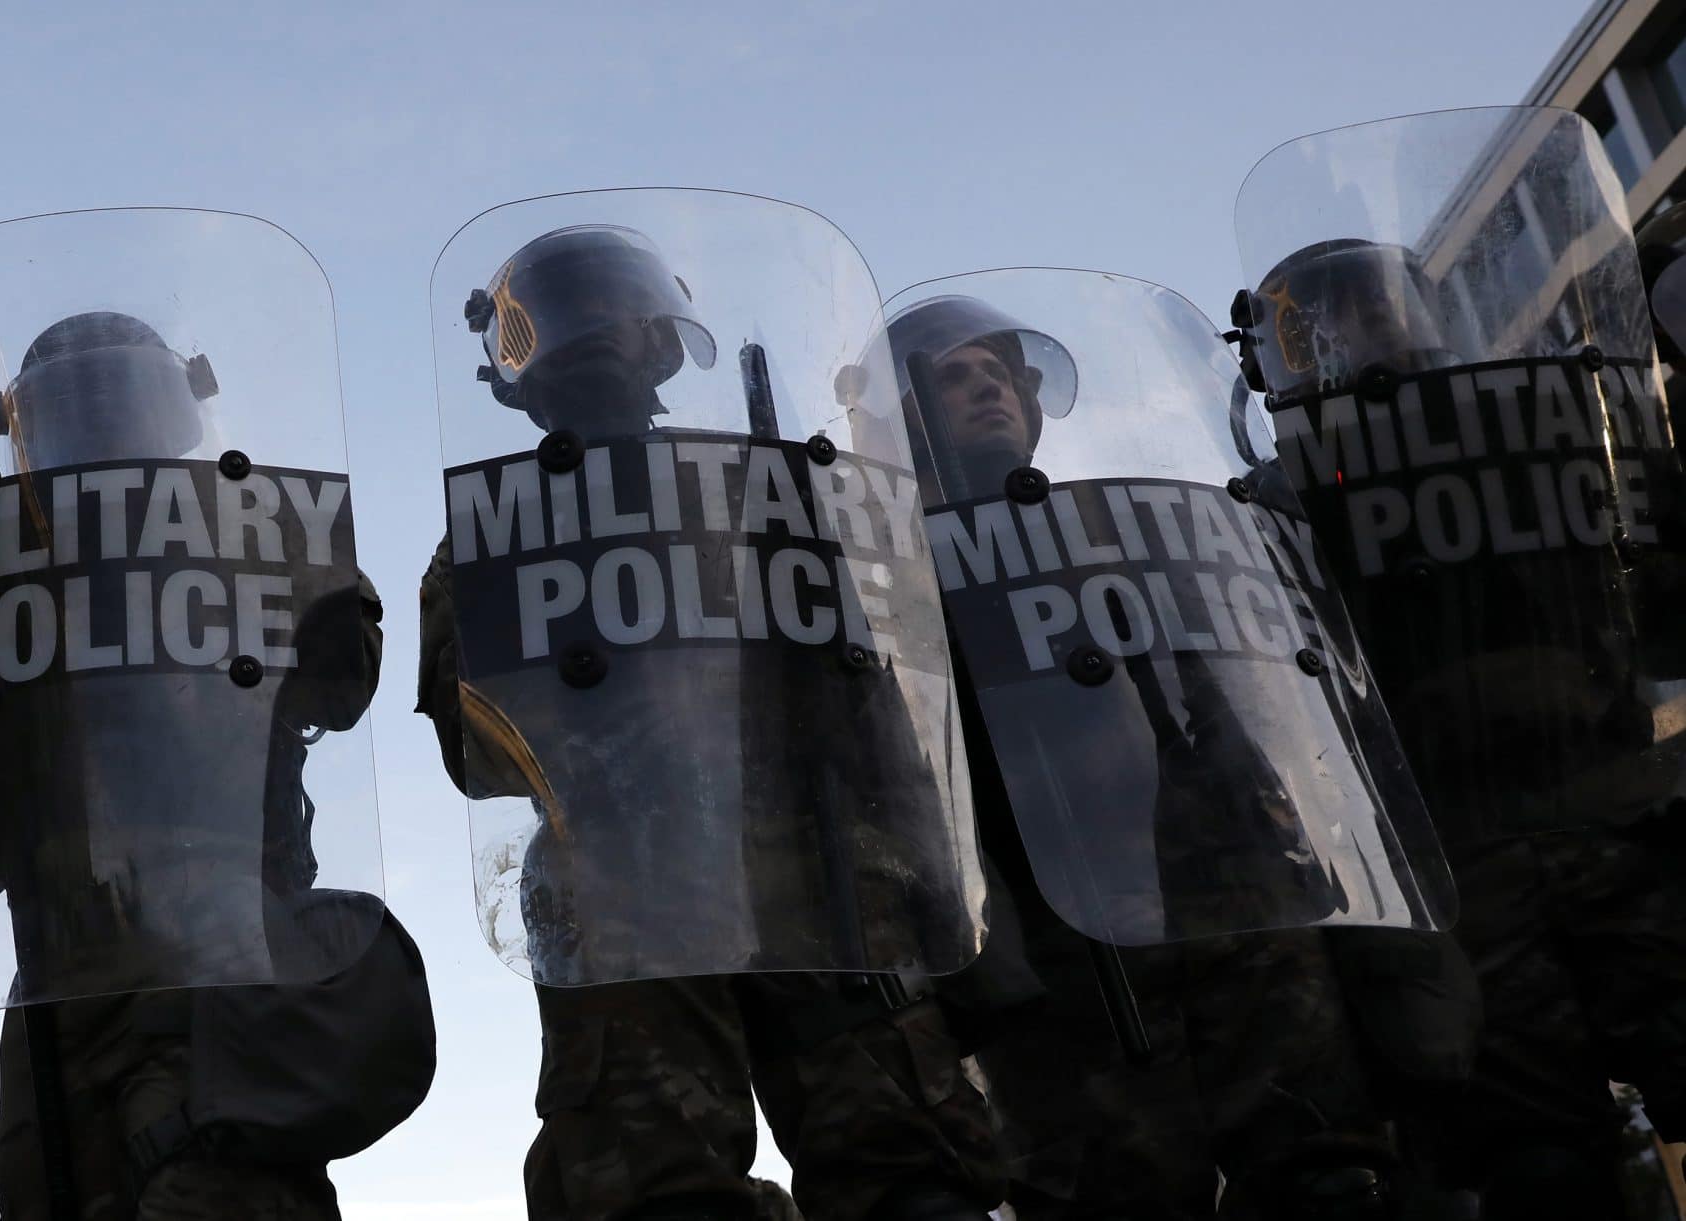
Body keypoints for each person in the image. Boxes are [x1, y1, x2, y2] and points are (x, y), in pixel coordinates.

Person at [420, 224, 1001, 1221]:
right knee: (655, 1192)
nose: (593, 329)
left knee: (914, 1180)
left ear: (659, 335)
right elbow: (474, 753)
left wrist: (933, 890)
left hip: (827, 877)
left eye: (611, 304)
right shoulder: (492, 532)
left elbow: (870, 701)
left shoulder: (767, 488)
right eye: (563, 311)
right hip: (624, 903)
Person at [889, 288, 1466, 1220]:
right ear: (909, 414)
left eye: (998, 372)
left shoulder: (1122, 527)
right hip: (1067, 948)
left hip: (1229, 903)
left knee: (1330, 1176)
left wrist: (1294, 864)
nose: (986, 388)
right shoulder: (898, 579)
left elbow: (1234, 709)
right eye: (954, 378)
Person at [0, 311, 432, 1220]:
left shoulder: (249, 542)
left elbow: (345, 677)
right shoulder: (14, 607)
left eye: (119, 407)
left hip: (219, 1031)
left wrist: (258, 543)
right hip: (72, 1059)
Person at [1238, 232, 1686, 1219]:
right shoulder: (1280, 501)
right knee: (1539, 1162)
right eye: (1319, 315)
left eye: (1373, 296)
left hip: (1619, 807)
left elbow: (1654, 595)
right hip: (1453, 856)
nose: (1356, 322)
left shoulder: (1543, 418)